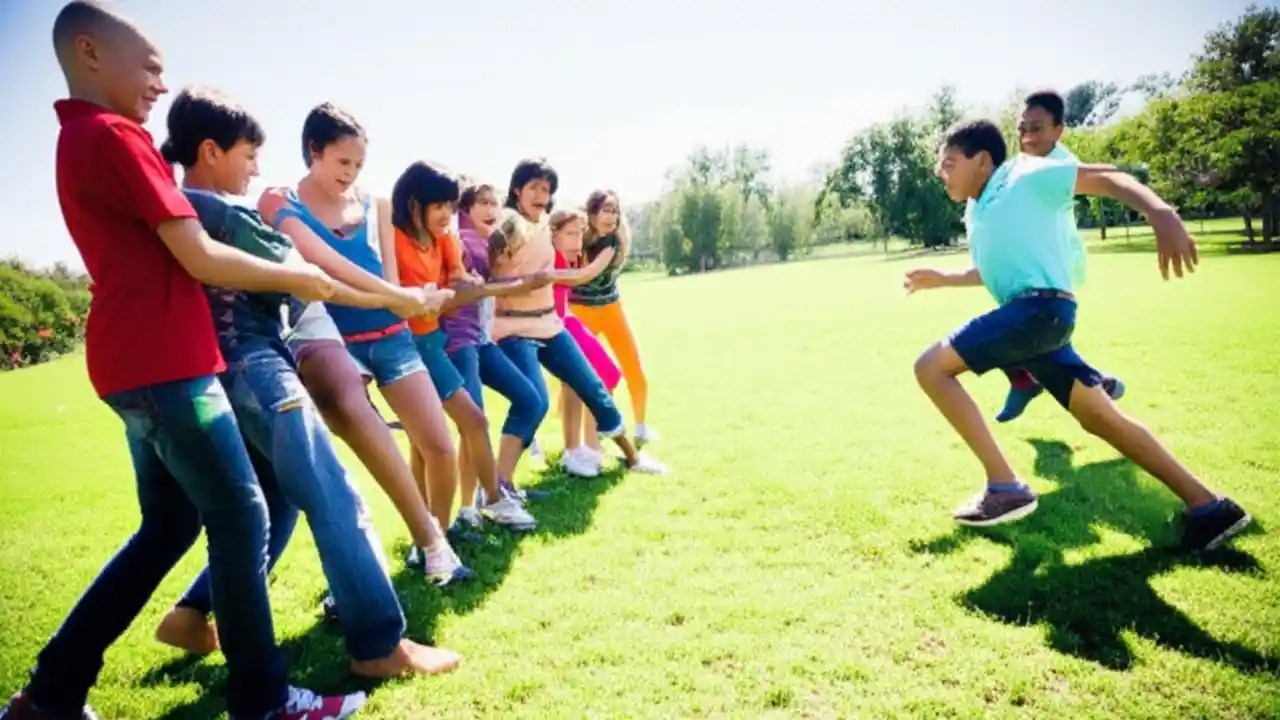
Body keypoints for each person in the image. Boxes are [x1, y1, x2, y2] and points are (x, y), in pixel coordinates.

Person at [3, 4, 364, 718]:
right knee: (240, 514)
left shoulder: (79, 138)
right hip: (169, 366)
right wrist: (300, 277)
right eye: (151, 69)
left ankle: (50, 695)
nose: (160, 88)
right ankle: (264, 699)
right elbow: (196, 252)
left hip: (132, 367)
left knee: (168, 527)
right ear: (89, 52)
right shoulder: (115, 135)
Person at [150, 86, 462, 678]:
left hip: (220, 370)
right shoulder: (215, 211)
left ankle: (191, 614)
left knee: (276, 502)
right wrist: (397, 297)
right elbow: (310, 278)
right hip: (255, 365)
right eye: (248, 153)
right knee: (332, 488)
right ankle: (377, 643)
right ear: (211, 150)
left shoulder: (184, 208)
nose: (257, 167)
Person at [905, 119, 1251, 552]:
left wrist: (1161, 212)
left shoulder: (1023, 176)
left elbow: (1105, 176)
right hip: (1039, 320)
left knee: (931, 367)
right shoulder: (980, 208)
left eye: (949, 162)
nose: (941, 172)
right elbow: (999, 269)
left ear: (983, 161)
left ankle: (1005, 485)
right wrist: (943, 278)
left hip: (1037, 312)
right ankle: (1210, 508)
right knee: (1101, 418)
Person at [257, 104, 474, 571]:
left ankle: (432, 543)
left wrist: (413, 300)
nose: (351, 174)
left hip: (392, 338)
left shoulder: (375, 204)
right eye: (342, 162)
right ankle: (363, 566)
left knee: (438, 445)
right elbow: (323, 267)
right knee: (369, 457)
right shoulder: (280, 201)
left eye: (358, 165)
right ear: (314, 151)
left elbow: (391, 277)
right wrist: (395, 296)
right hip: (331, 341)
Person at [491, 159, 667, 489]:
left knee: (594, 386)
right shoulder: (506, 227)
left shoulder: (544, 225)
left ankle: (632, 457)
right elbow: (493, 277)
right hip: (514, 329)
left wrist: (555, 268)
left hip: (551, 325)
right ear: (518, 190)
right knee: (534, 401)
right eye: (534, 187)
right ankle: (503, 486)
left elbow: (572, 259)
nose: (542, 195)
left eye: (546, 189)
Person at [389, 161, 540, 531]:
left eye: (450, 206)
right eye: (438, 206)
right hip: (400, 347)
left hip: (429, 343)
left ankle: (490, 500)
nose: (447, 215)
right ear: (414, 205)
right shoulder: (394, 240)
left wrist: (477, 285)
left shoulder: (446, 240)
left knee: (473, 420)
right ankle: (426, 532)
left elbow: (461, 285)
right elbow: (405, 297)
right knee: (424, 443)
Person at [990, 90, 1124, 423]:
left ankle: (1039, 381)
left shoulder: (1061, 166)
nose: (1027, 136)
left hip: (1049, 265)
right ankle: (1087, 380)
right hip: (1029, 265)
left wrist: (1159, 212)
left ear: (1059, 129)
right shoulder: (1024, 164)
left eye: (1036, 128)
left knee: (1017, 330)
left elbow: (1108, 177)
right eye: (1022, 129)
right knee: (1025, 333)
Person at [442, 180, 556, 519]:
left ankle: (494, 486)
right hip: (458, 341)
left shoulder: (485, 243)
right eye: (483, 203)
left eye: (494, 202)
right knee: (473, 422)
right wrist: (525, 283)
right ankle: (467, 508)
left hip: (482, 340)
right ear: (464, 210)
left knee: (530, 399)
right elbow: (478, 288)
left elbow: (494, 285)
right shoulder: (460, 242)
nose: (493, 209)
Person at [568, 190, 658, 446]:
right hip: (580, 312)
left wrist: (551, 276)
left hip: (610, 309)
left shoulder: (612, 243)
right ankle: (584, 437)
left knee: (633, 367)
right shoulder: (577, 239)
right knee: (581, 377)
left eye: (615, 211)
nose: (611, 217)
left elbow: (587, 274)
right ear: (592, 214)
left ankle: (640, 426)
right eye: (605, 210)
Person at [547, 208, 624, 478]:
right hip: (548, 324)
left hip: (564, 320)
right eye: (569, 233)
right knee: (598, 376)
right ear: (553, 234)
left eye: (579, 233)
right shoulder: (549, 257)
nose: (576, 239)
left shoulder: (572, 257)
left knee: (603, 375)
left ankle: (582, 448)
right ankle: (584, 449)